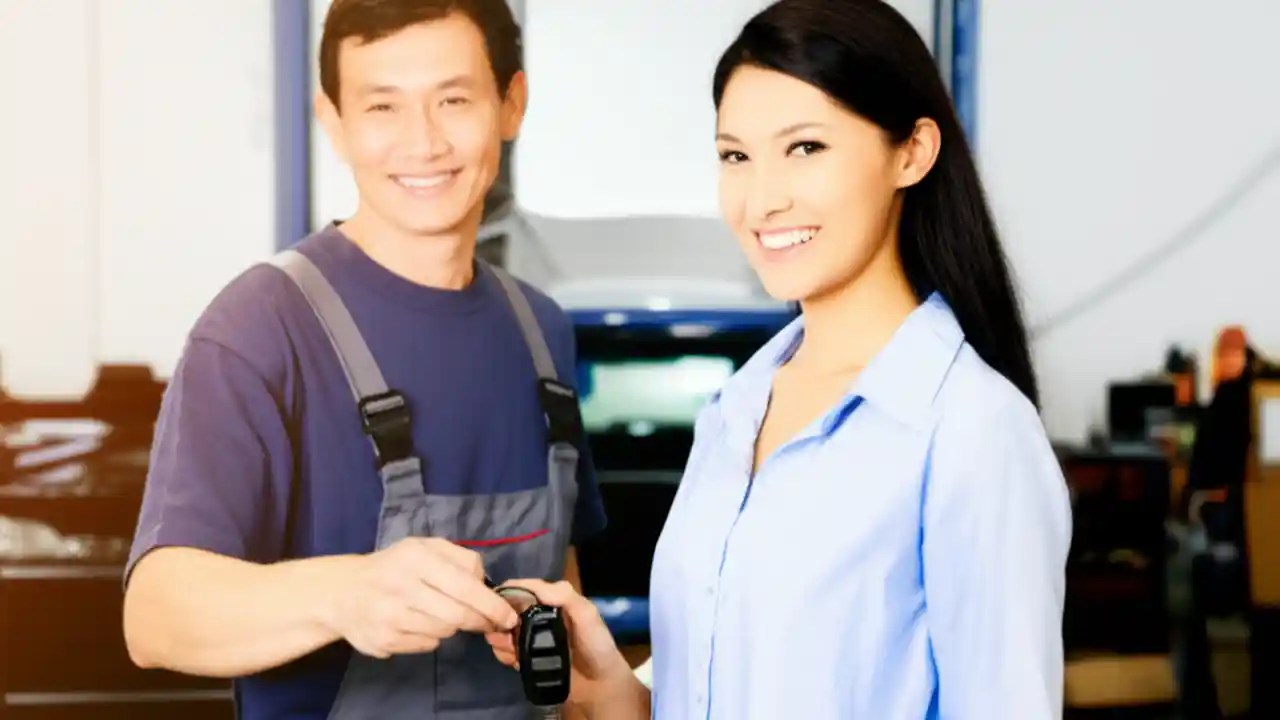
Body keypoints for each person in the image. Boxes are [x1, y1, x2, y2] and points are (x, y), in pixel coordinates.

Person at [486, 1, 1073, 718]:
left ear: (912, 153)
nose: (762, 199)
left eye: (805, 148)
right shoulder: (736, 412)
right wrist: (615, 690)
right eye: (736, 156)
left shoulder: (972, 432)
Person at [121, 1, 606, 718]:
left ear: (512, 104)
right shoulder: (260, 327)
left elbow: (561, 579)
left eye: (453, 99)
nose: (422, 143)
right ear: (333, 121)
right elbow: (155, 617)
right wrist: (345, 596)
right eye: (383, 106)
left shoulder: (540, 330)